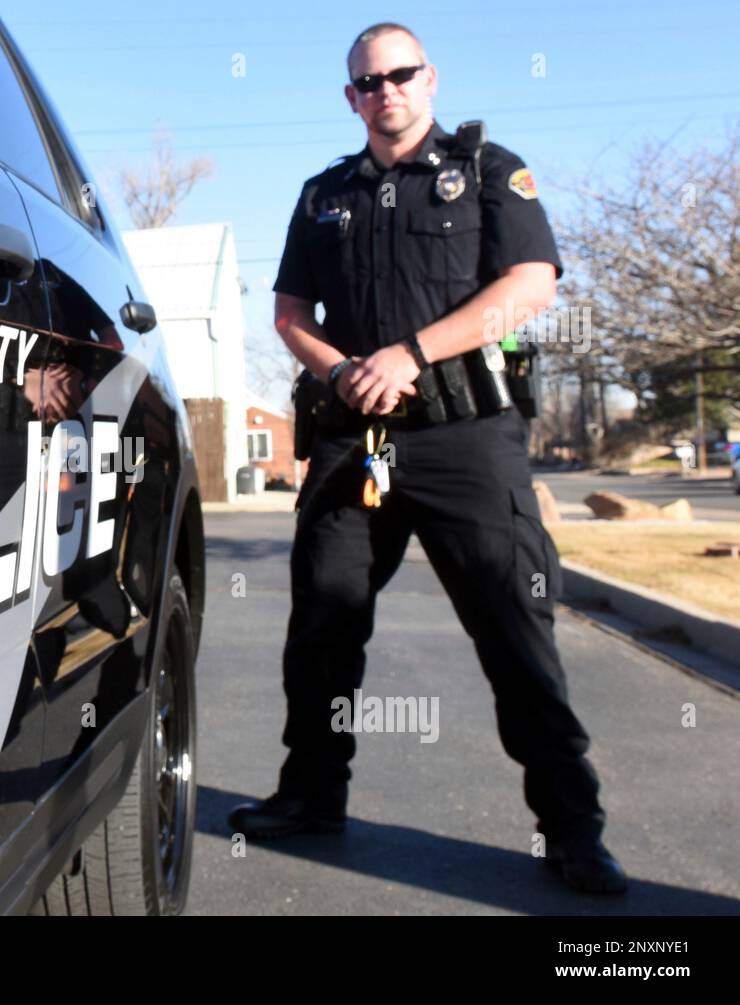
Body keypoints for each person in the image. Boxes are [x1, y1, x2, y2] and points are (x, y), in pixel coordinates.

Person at [228, 22, 628, 894]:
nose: (386, 92)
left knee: (515, 632)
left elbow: (529, 285)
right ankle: (311, 794)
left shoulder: (487, 171)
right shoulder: (322, 194)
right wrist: (343, 372)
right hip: (354, 439)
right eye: (368, 83)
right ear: (351, 98)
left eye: (400, 75)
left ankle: (571, 829)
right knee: (323, 630)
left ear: (430, 79)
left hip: (464, 440)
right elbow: (290, 310)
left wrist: (409, 354)